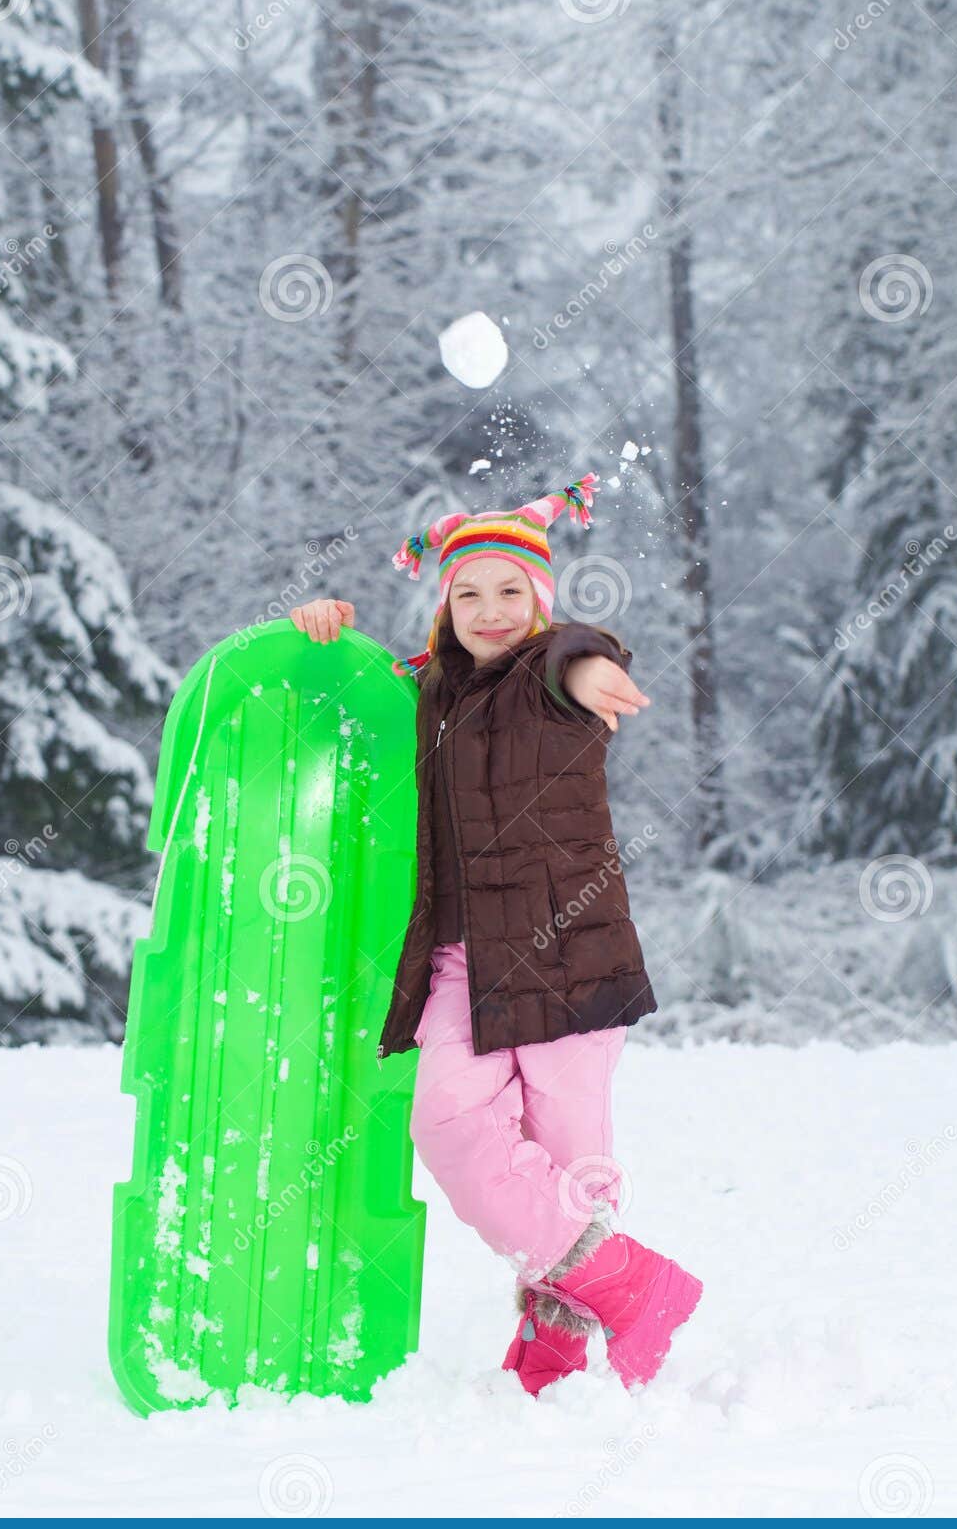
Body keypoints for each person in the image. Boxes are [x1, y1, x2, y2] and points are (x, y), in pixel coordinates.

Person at [290, 475, 702, 1399]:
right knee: (446, 1121)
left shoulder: (553, 676)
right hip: (459, 961)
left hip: (569, 960)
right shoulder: (427, 690)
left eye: (510, 590)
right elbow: (351, 699)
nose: (489, 610)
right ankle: (627, 1282)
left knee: (570, 1163)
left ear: (541, 600)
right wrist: (322, 629)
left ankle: (556, 1346)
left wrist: (588, 664)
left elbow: (578, 655)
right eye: (467, 592)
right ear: (443, 606)